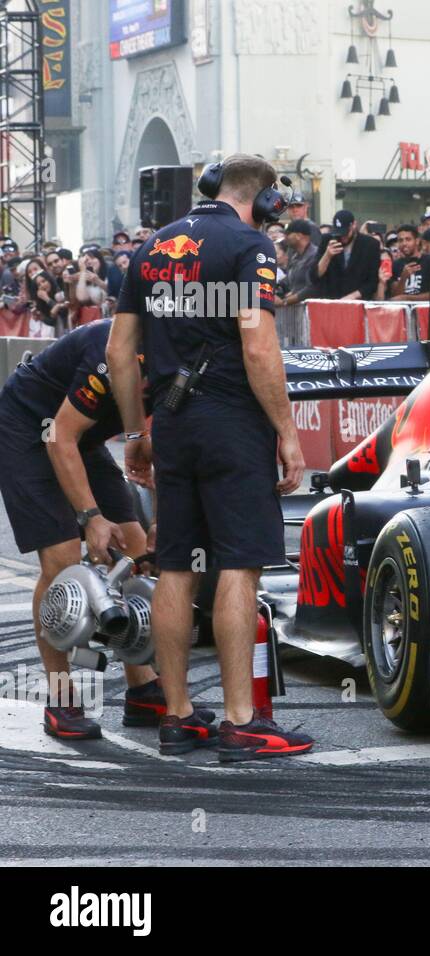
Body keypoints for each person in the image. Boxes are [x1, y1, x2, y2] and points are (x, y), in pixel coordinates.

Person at [107, 153, 314, 761]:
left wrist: (134, 433)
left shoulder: (152, 247)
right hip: (231, 423)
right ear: (267, 198)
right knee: (240, 567)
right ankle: (240, 721)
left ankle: (175, 718)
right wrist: (288, 431)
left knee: (177, 566)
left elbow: (121, 352)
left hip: (171, 422)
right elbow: (257, 344)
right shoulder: (250, 246)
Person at [0, 319, 167, 739]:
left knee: (134, 552)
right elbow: (58, 438)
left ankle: (142, 687)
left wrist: (160, 520)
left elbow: (165, 446)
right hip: (29, 426)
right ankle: (61, 697)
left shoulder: (185, 354)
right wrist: (91, 516)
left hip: (80, 435)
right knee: (62, 560)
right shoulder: (110, 353)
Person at [315, 209, 381, 300]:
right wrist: (327, 255)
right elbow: (314, 275)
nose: (343, 239)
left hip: (358, 301)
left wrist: (352, 296)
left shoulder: (370, 245)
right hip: (331, 300)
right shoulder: (327, 240)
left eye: (346, 234)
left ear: (354, 225)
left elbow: (372, 281)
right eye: (339, 234)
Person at [278, 219, 319, 307]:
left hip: (310, 312)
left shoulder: (315, 256)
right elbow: (288, 281)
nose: (285, 237)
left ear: (298, 236)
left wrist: (285, 301)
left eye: (288, 234)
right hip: (295, 314)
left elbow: (312, 288)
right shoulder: (294, 257)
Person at [387, 223, 430, 301]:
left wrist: (408, 298)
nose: (404, 243)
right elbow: (394, 296)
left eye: (408, 239)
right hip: (401, 312)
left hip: (424, 311)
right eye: (400, 240)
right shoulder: (395, 265)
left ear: (417, 241)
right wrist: (403, 278)